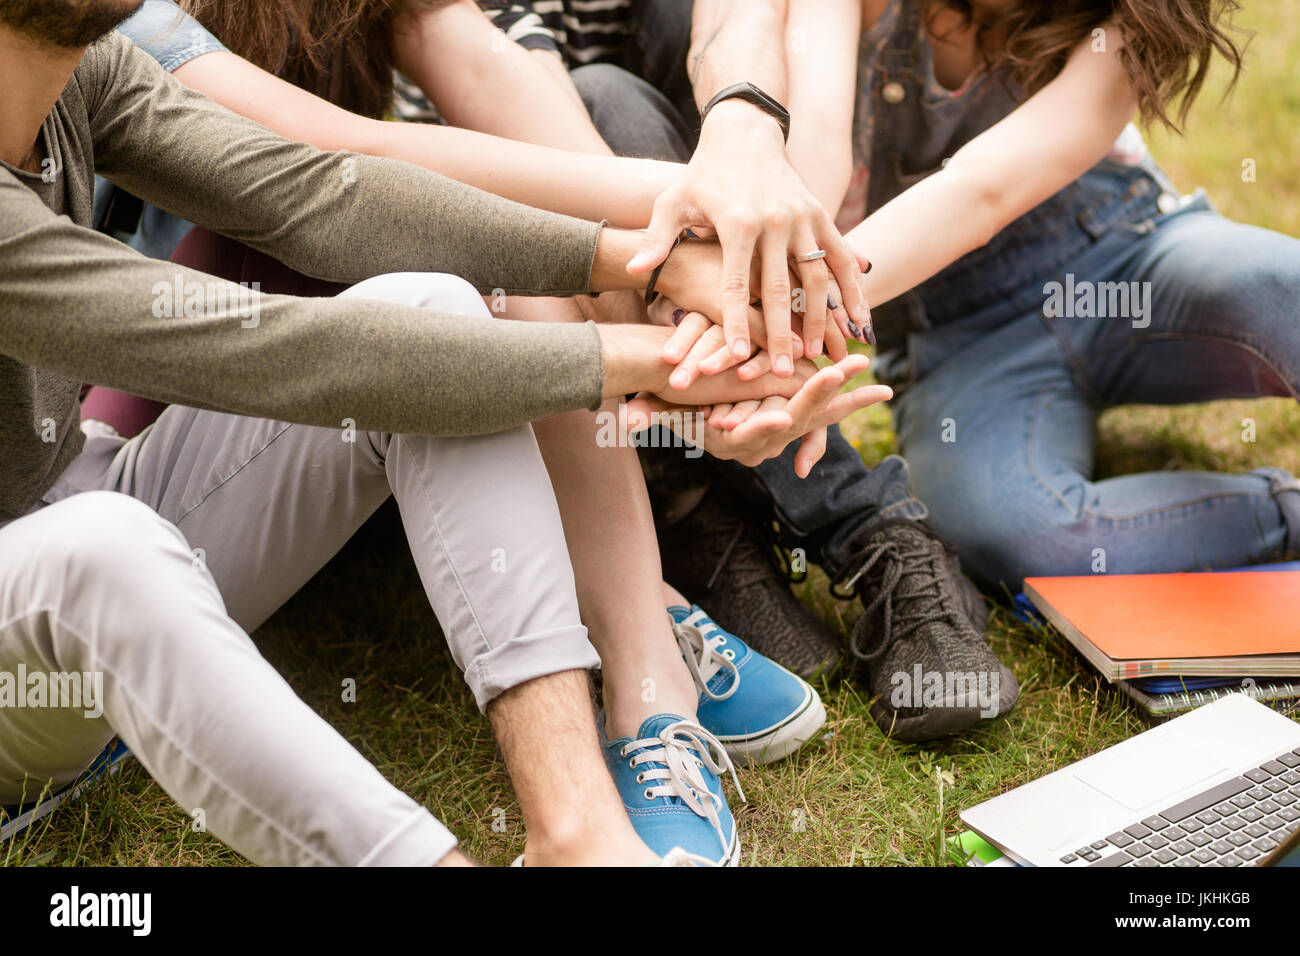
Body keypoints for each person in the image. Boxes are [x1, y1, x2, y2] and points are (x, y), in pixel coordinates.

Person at [0, 0, 883, 865]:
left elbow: (322, 193)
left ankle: (580, 837)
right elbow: (278, 350)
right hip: (48, 594)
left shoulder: (84, 65)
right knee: (104, 545)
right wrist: (651, 359)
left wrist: (646, 262)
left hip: (80, 501)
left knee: (435, 309)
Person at [472, 0, 1020, 743]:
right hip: (560, 220)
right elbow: (537, 145)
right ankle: (841, 521)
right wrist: (681, 284)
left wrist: (777, 293)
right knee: (603, 96)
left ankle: (759, 516)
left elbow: (780, 100)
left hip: (713, 188)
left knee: (640, 86)